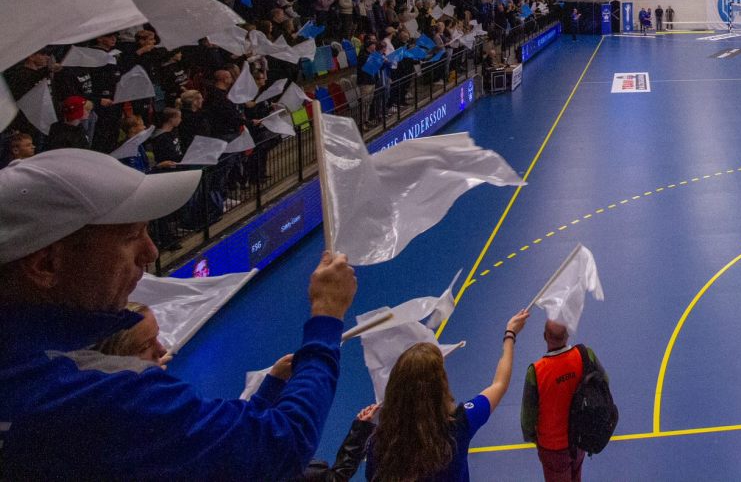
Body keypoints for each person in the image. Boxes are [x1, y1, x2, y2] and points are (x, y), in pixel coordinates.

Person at [0, 148, 358, 479]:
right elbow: (280, 445)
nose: (151, 251)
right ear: (46, 264)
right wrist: (326, 314)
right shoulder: (96, 398)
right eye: (130, 237)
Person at [365, 309, 530, 480]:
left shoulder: (378, 443)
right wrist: (510, 335)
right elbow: (499, 384)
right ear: (440, 386)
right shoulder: (459, 426)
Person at [521, 320, 608, 482]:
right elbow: (604, 382)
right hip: (579, 437)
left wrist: (532, 438)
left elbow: (528, 415)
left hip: (552, 447)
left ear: (545, 336)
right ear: (568, 334)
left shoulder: (536, 371)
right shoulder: (585, 355)